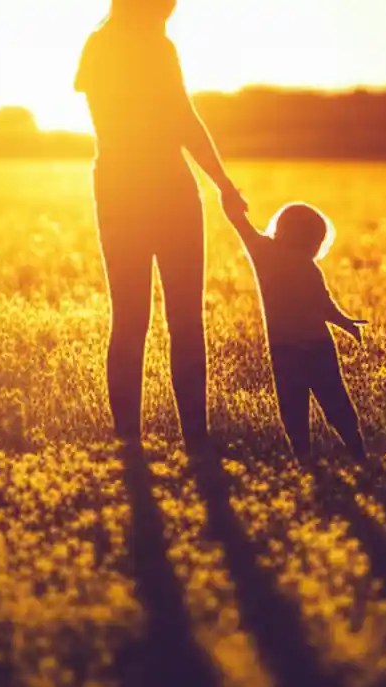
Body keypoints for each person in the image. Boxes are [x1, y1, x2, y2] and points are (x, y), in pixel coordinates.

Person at [74, 0, 247, 453]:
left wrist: (221, 183)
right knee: (184, 321)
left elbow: (119, 122)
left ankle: (130, 442)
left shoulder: (98, 45)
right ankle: (195, 438)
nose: (171, 10)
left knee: (130, 319)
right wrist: (222, 183)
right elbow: (182, 119)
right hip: (166, 188)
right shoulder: (155, 46)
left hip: (118, 187)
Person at [225, 202, 368, 460]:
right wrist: (345, 324)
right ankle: (355, 452)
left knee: (295, 409)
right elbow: (324, 305)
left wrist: (229, 196)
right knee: (334, 403)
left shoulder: (265, 253)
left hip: (289, 349)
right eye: (316, 241)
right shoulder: (286, 259)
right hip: (315, 347)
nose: (316, 249)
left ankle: (307, 458)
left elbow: (240, 223)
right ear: (307, 239)